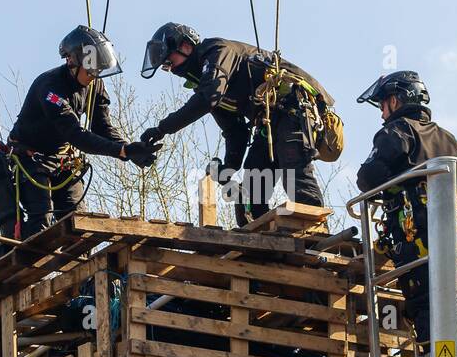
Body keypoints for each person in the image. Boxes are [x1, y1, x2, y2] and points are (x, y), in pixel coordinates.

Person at [0, 26, 160, 257]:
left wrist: (130, 149)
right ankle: (5, 275)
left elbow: (101, 127)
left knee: (77, 227)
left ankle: (82, 289)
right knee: (40, 224)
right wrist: (121, 151)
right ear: (72, 62)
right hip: (32, 159)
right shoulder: (50, 88)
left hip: (64, 160)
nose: (94, 76)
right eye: (91, 70)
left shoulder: (95, 85)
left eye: (99, 71)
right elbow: (75, 135)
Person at [138, 22, 334, 225]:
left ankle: (315, 231)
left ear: (185, 46)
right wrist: (229, 167)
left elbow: (208, 98)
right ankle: (261, 239)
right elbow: (235, 131)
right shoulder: (207, 84)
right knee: (253, 184)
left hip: (295, 106)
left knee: (293, 168)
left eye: (170, 60)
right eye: (167, 66)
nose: (171, 69)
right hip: (268, 120)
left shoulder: (217, 51)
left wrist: (163, 128)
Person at [355, 71, 457, 346]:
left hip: (415, 238)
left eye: (383, 105)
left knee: (422, 300)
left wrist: (400, 189)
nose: (381, 114)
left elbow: (367, 177)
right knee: (446, 298)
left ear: (398, 100)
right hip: (449, 241)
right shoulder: (449, 139)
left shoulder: (396, 131)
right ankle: (453, 352)